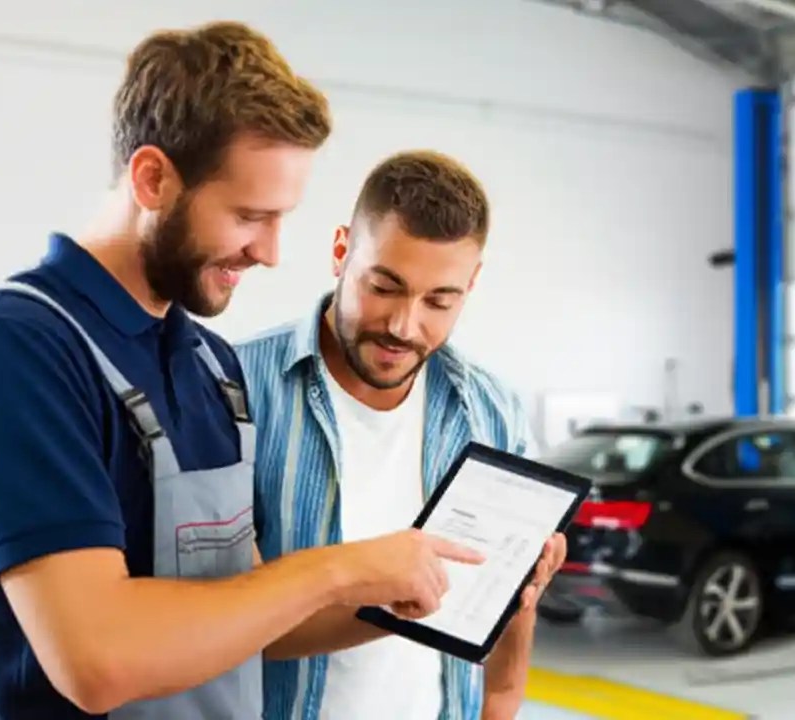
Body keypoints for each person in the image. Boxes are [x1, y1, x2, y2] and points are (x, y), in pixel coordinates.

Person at [0, 22, 511, 719]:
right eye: (248, 216)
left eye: (280, 218)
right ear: (152, 178)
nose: (268, 252)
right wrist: (342, 566)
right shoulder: (17, 347)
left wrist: (415, 586)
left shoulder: (209, 365)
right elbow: (98, 660)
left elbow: (261, 617)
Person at [236, 150, 566, 720]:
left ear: (471, 285)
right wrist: (387, 593)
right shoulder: (235, 390)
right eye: (384, 286)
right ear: (341, 251)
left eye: (440, 300)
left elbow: (513, 608)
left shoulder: (493, 412)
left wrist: (503, 704)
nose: (403, 326)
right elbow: (223, 624)